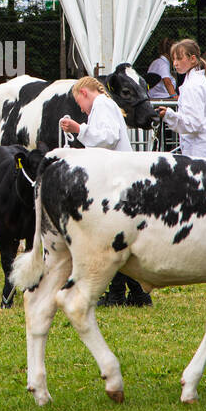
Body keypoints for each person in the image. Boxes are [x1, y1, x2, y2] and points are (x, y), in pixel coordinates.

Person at [62, 77, 146, 306]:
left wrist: (79, 129)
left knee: (114, 237)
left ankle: (121, 294)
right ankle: (137, 294)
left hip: (117, 179)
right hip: (117, 177)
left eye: (78, 101)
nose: (79, 107)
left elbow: (109, 138)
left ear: (84, 93)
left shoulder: (102, 105)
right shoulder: (104, 106)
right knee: (117, 236)